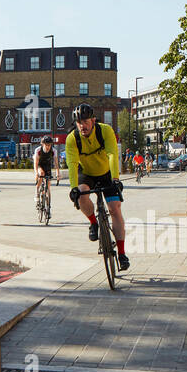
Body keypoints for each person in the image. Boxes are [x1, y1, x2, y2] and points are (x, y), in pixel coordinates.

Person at [64, 103, 129, 270]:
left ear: (93, 120)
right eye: (79, 122)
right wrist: (73, 187)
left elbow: (113, 154)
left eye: (85, 121)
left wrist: (115, 178)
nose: (82, 125)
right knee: (82, 193)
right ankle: (93, 222)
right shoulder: (72, 138)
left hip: (106, 173)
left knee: (115, 208)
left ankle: (121, 253)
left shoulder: (105, 131)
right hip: (86, 173)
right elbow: (71, 164)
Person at [33, 136, 56, 205]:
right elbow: (36, 163)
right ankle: (37, 191)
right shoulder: (38, 150)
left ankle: (48, 207)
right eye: (46, 145)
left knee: (48, 185)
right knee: (41, 174)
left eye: (49, 145)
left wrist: (58, 174)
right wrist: (36, 173)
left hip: (47, 166)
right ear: (42, 144)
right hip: (40, 165)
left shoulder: (53, 150)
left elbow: (56, 164)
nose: (48, 146)